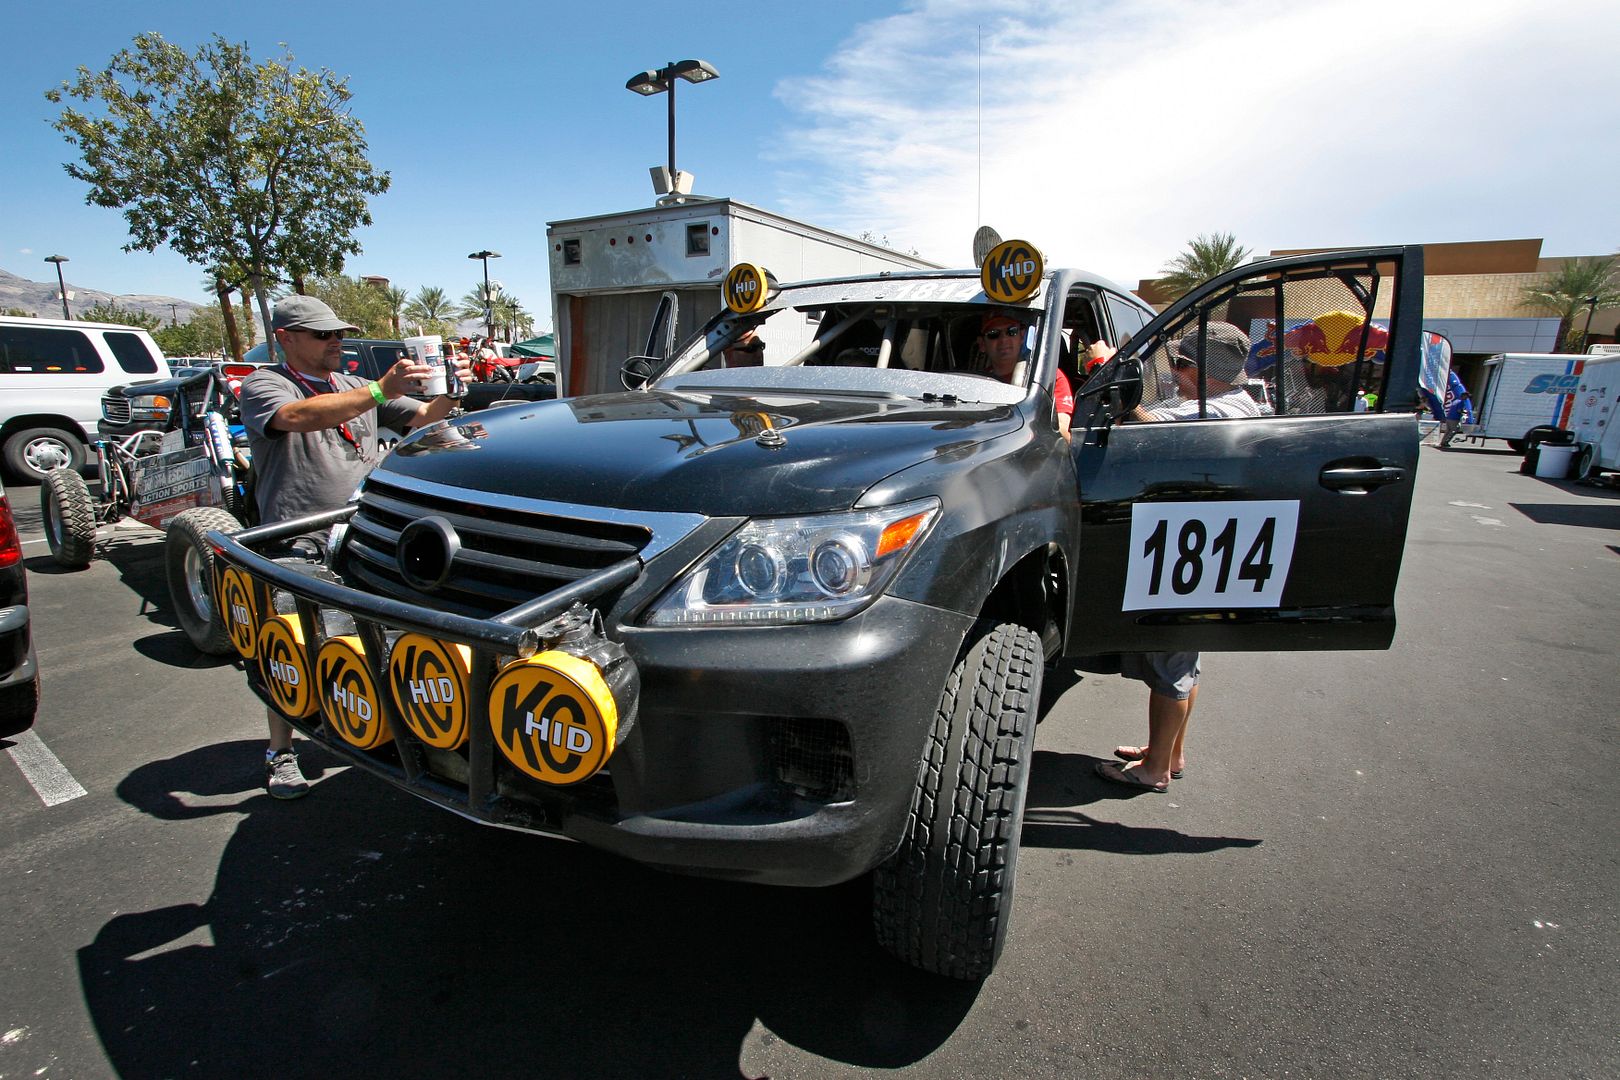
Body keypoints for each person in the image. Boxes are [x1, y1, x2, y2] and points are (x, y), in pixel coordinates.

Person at [238, 295, 471, 799]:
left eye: (339, 333)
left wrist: (449, 390)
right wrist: (379, 389)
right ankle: (281, 752)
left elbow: (424, 419)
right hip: (296, 539)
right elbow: (297, 416)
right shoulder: (265, 383)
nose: (336, 342)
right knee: (291, 647)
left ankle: (382, 733)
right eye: (323, 334)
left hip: (363, 535)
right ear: (286, 338)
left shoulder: (352, 386)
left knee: (375, 639)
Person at [1096, 321, 1261, 793]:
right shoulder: (1217, 401)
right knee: (1185, 659)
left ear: (1207, 372)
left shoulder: (1224, 409)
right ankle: (1170, 752)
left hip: (1188, 548)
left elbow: (1156, 432)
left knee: (1172, 661)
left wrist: (1110, 377)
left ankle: (1155, 771)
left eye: (1182, 364)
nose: (1173, 372)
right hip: (1195, 543)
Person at [979, 312, 1076, 440]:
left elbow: (1062, 433)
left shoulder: (1048, 378)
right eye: (993, 334)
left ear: (1022, 336)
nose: (1004, 340)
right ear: (982, 344)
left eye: (1011, 331)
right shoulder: (976, 383)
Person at [1434, 370, 1473, 448]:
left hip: (1449, 417)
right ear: (1464, 396)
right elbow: (1459, 410)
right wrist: (1464, 413)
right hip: (1454, 419)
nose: (1467, 398)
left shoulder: (1455, 401)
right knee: (1454, 430)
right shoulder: (1461, 402)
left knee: (1448, 431)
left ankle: (1443, 442)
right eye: (1467, 396)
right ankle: (1445, 442)